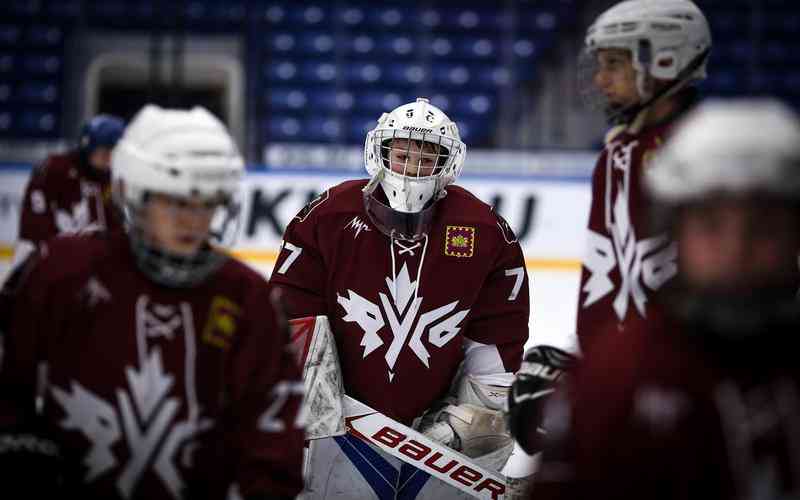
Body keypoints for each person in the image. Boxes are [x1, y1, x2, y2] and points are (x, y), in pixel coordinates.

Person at [0, 105, 305, 499]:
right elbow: (14, 381)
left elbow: (273, 428)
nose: (193, 220)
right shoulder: (61, 273)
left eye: (206, 202)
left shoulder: (249, 300)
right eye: (175, 201)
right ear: (134, 193)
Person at [530, 98, 800, 499]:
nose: (735, 251)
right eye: (710, 226)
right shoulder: (614, 373)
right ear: (672, 232)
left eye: (764, 228)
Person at [268, 97, 530, 498]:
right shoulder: (328, 216)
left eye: (426, 156)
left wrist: (472, 418)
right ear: (379, 152)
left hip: (439, 431)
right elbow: (291, 310)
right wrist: (308, 389)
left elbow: (498, 332)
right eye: (402, 153)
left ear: (449, 163)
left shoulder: (485, 230)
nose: (411, 168)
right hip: (341, 424)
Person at [506, 0, 713, 457]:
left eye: (614, 64)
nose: (600, 80)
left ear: (665, 61)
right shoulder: (617, 155)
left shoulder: (711, 162)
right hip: (628, 387)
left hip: (689, 404)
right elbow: (612, 283)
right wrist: (586, 365)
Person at [11, 114, 125, 268]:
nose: (109, 161)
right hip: (45, 259)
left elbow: (113, 226)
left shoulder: (110, 179)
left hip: (87, 263)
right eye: (104, 154)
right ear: (87, 148)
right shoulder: (55, 168)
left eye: (114, 155)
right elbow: (34, 227)